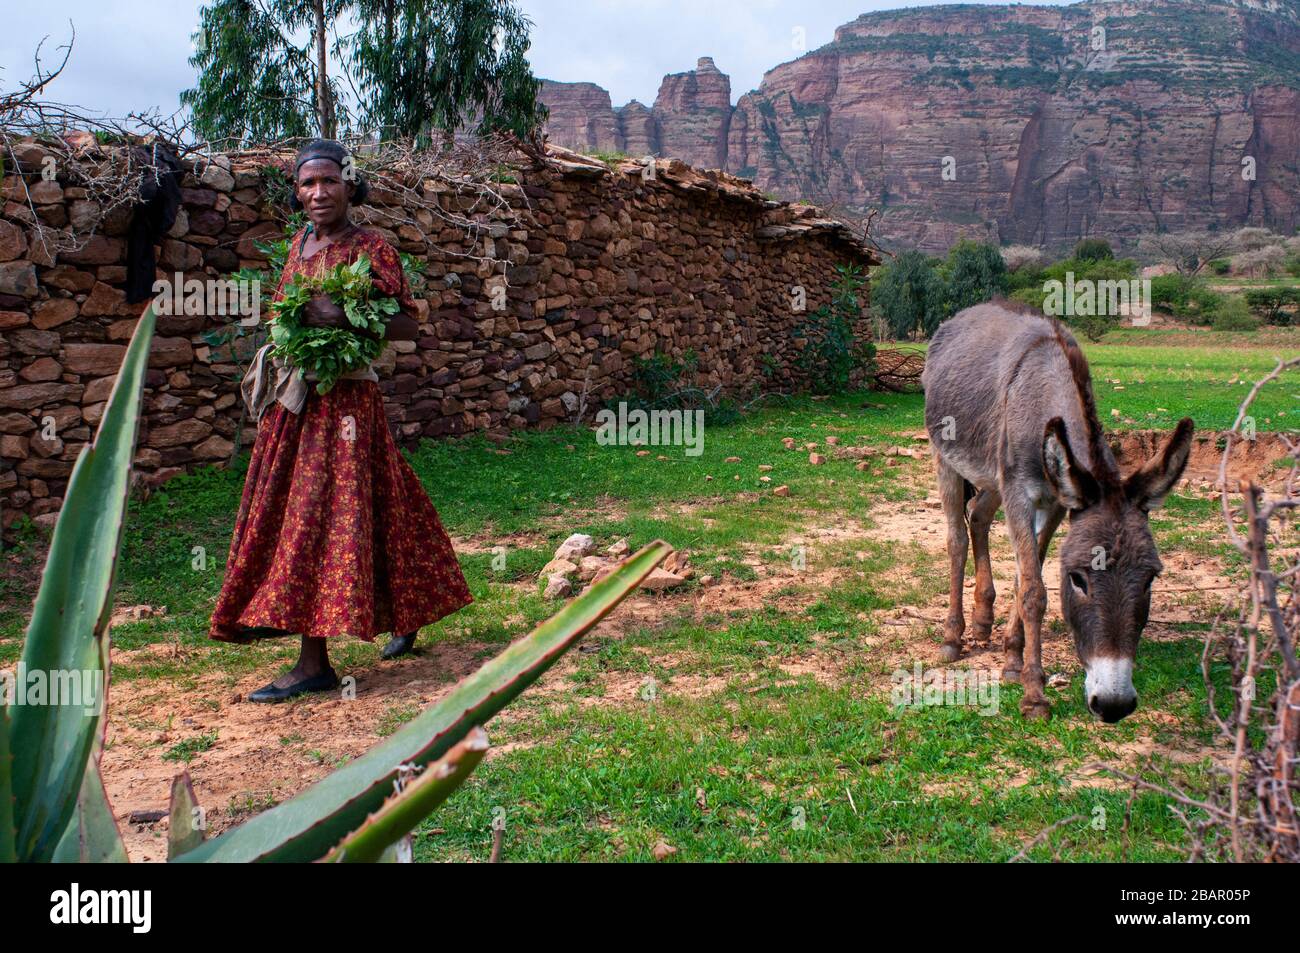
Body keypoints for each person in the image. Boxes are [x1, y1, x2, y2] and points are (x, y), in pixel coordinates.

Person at [209, 139, 472, 702]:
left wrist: (344, 317)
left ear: (350, 186)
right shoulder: (300, 246)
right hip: (299, 402)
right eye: (307, 183)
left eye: (329, 181)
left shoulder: (370, 248)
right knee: (381, 501)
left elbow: (404, 325)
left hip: (346, 404)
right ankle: (406, 609)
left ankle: (314, 664)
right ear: (297, 192)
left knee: (321, 513)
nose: (318, 192)